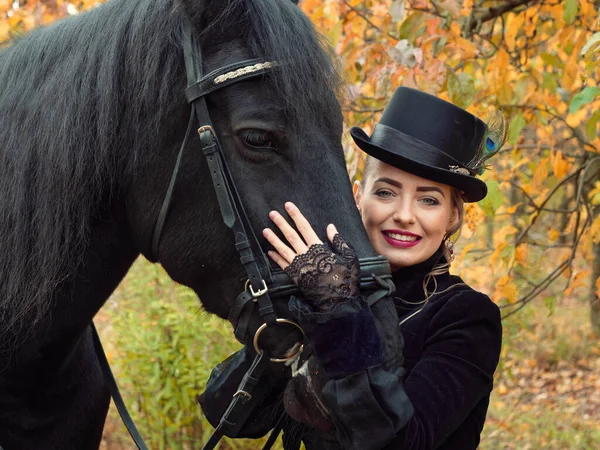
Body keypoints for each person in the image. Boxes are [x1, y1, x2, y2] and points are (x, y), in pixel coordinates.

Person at [199, 87, 505, 449]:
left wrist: (340, 316)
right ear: (357, 196)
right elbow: (229, 417)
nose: (404, 215)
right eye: (386, 192)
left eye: (428, 199)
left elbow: (406, 442)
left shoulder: (466, 316)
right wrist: (289, 328)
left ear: (452, 215)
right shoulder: (323, 285)